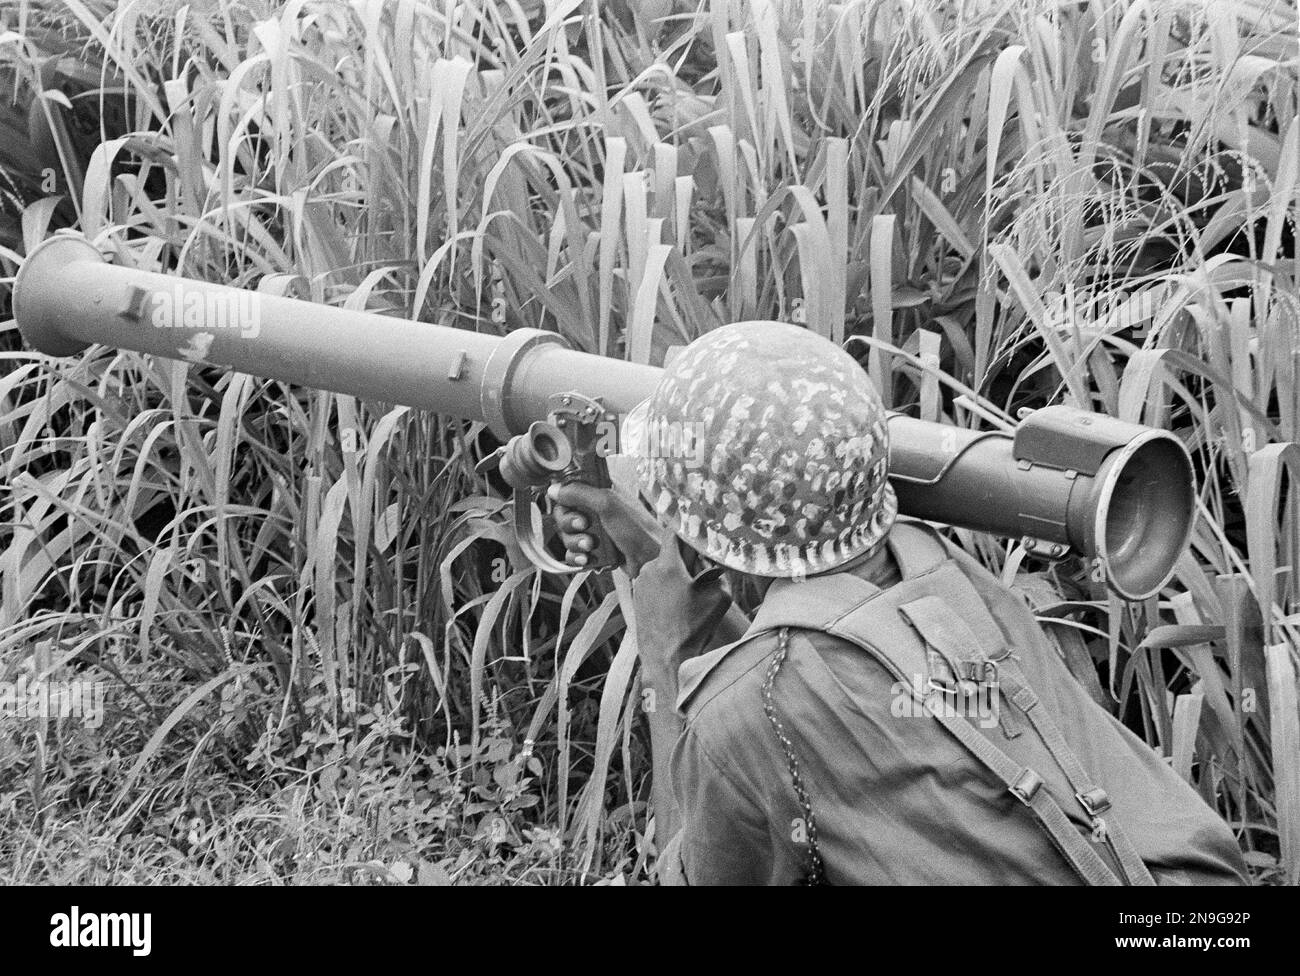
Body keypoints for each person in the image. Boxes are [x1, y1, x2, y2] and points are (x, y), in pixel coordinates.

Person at [549, 321, 1247, 886]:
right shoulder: (949, 575)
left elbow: (701, 859)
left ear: (707, 528)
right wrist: (663, 559)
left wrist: (667, 629)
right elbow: (805, 667)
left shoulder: (741, 719)